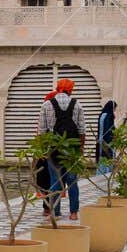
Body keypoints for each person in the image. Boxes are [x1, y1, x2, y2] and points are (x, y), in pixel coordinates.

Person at [38, 77, 85, 221]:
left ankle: (55, 212)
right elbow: (81, 130)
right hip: (72, 149)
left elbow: (42, 131)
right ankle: (73, 213)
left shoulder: (46, 105)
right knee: (72, 181)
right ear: (70, 90)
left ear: (58, 88)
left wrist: (42, 151)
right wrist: (81, 149)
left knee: (55, 181)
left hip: (53, 149)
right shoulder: (77, 105)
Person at [98, 99, 117, 169]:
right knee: (108, 157)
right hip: (108, 140)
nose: (114, 111)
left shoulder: (102, 114)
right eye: (114, 109)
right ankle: (107, 172)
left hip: (101, 140)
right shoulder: (109, 116)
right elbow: (109, 128)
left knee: (103, 156)